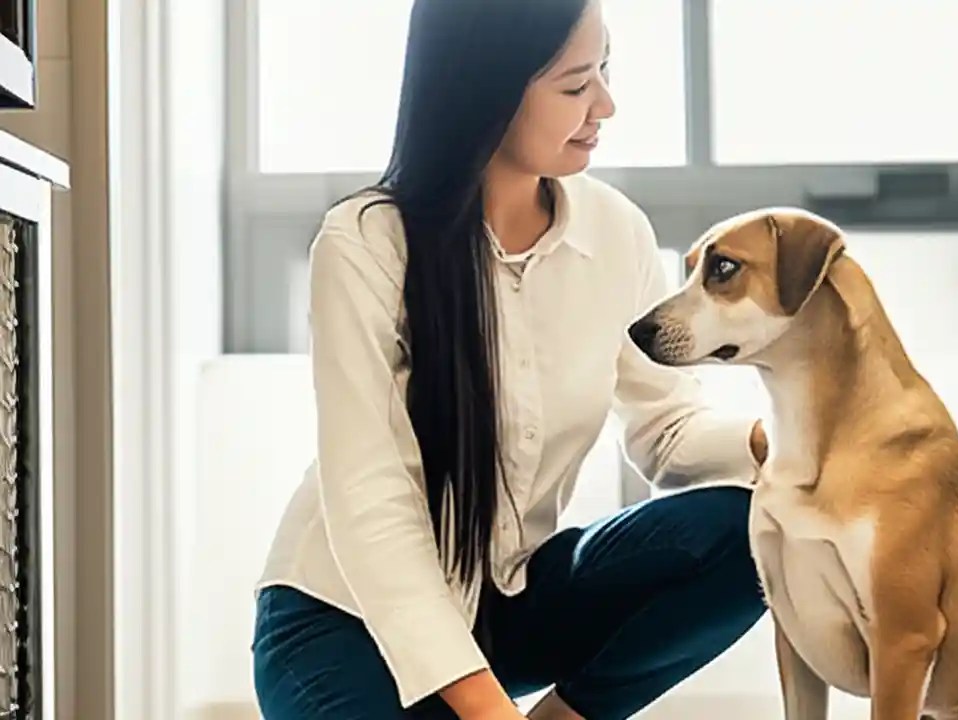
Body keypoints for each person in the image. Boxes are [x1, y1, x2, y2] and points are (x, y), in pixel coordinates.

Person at [251, 1, 770, 718]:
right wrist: (487, 709)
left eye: (605, 72)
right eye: (575, 86)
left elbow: (665, 429)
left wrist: (771, 446)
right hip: (343, 621)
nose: (605, 105)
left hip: (505, 601)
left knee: (750, 535)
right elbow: (372, 504)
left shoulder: (615, 232)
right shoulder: (367, 244)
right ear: (485, 90)